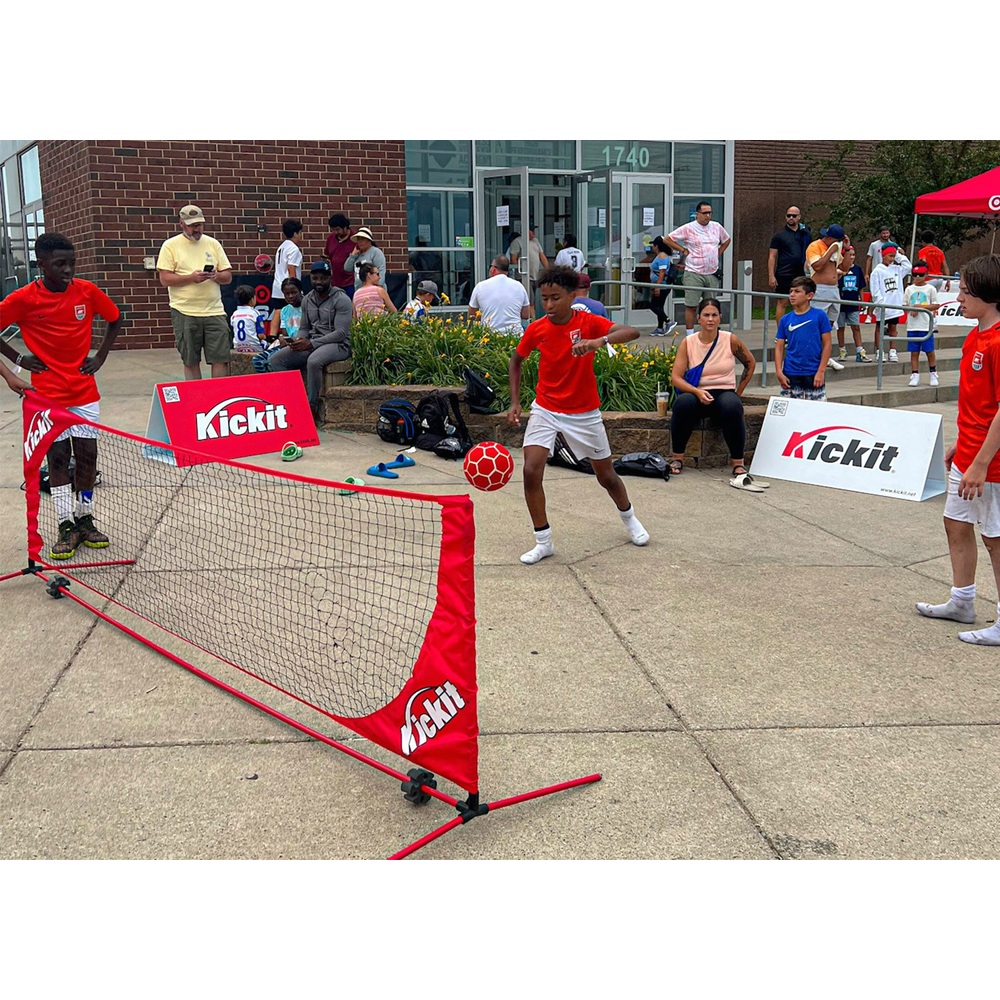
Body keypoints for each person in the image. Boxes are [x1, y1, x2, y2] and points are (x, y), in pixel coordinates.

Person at [507, 265, 649, 565]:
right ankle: (543, 541)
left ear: (573, 296)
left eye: (555, 298)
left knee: (606, 475)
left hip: (584, 412)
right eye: (544, 298)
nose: (548, 305)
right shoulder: (537, 328)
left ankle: (630, 520)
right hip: (546, 408)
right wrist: (516, 402)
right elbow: (516, 361)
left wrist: (600, 341)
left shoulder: (588, 322)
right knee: (531, 470)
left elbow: (632, 331)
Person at [0, 232, 122, 560]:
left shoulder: (87, 292)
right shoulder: (23, 299)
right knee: (56, 459)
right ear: (42, 265)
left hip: (84, 393)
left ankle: (85, 517)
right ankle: (65, 523)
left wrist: (100, 357)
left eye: (72, 263)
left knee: (87, 456)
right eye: (60, 264)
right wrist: (16, 365)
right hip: (46, 396)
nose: (68, 270)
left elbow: (115, 319)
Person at [915, 255, 1000, 645]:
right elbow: (975, 403)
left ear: (988, 295)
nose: (959, 297)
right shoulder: (974, 336)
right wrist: (960, 445)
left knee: (995, 538)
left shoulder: (998, 342)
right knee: (955, 523)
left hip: (991, 464)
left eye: (966, 291)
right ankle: (962, 600)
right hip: (968, 453)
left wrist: (981, 461)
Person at [668, 298, 758, 487]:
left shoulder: (729, 339)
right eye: (706, 315)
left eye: (714, 315)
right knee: (683, 404)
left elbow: (750, 363)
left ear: (720, 318)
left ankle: (738, 463)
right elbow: (676, 377)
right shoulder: (689, 342)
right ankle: (677, 457)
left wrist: (738, 392)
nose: (710, 319)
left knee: (732, 406)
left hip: (723, 390)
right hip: (697, 390)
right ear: (698, 318)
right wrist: (697, 392)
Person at [156, 204, 234, 380]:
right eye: (192, 225)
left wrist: (216, 275)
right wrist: (191, 278)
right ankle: (196, 399)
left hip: (214, 310)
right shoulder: (170, 246)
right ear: (181, 224)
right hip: (184, 311)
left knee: (221, 358)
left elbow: (228, 276)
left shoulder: (213, 244)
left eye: (199, 224)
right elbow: (165, 279)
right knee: (190, 360)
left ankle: (219, 397)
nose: (196, 229)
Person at [267, 261, 351, 422]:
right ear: (310, 278)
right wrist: (299, 339)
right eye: (315, 278)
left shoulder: (341, 299)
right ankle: (292, 402)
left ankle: (311, 408)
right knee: (276, 360)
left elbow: (341, 333)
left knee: (314, 361)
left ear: (330, 278)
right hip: (312, 342)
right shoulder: (307, 299)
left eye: (323, 278)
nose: (318, 282)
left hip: (338, 345)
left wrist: (311, 343)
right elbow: (305, 327)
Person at [663, 201, 731, 336]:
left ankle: (711, 333)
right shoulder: (689, 228)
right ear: (697, 214)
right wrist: (683, 250)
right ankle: (690, 334)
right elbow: (668, 239)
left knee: (711, 305)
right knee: (692, 305)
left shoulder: (716, 227)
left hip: (712, 272)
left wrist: (718, 253)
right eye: (705, 213)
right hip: (694, 272)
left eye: (710, 213)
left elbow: (727, 240)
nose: (708, 216)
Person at [773, 276, 832, 401]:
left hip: (813, 372)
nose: (792, 295)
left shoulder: (819, 316)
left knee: (816, 412)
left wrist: (821, 371)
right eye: (791, 291)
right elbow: (779, 347)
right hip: (790, 373)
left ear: (809, 296)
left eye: (797, 291)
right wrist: (779, 371)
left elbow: (827, 344)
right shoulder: (785, 319)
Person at [804, 224, 848, 370]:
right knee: (816, 322)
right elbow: (817, 266)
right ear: (829, 238)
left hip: (834, 289)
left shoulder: (838, 248)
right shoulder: (815, 246)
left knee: (829, 324)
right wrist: (831, 251)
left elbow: (846, 267)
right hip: (820, 288)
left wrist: (846, 249)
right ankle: (813, 355)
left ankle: (824, 355)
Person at [869, 242, 912, 363]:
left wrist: (898, 255)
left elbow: (908, 266)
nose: (892, 259)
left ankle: (892, 350)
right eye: (890, 256)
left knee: (893, 327)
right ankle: (879, 351)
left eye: (894, 256)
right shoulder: (877, 271)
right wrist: (880, 303)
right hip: (883, 306)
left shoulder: (897, 269)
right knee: (880, 328)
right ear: (883, 255)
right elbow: (875, 290)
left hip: (894, 305)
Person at [469, 255, 532, 335]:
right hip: (515, 337)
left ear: (493, 270)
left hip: (489, 337)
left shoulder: (480, 286)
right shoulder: (519, 286)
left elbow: (472, 315)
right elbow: (526, 315)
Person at [768, 206, 811, 322]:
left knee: (800, 302)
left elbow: (810, 251)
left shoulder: (805, 233)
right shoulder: (779, 235)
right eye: (788, 216)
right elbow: (772, 256)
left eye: (794, 216)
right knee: (782, 302)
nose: (791, 218)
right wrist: (771, 276)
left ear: (799, 217)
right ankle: (780, 334)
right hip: (784, 273)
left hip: (801, 273)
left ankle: (797, 329)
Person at [904, 262, 940, 387]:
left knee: (929, 351)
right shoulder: (909, 289)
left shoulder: (930, 289)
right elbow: (904, 305)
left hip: (925, 325)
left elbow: (936, 305)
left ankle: (933, 372)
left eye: (920, 275)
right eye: (915, 275)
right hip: (913, 326)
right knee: (914, 352)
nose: (917, 277)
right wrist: (911, 308)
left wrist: (922, 307)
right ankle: (915, 374)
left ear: (926, 275)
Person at [256, 278, 303, 373]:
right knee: (258, 360)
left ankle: (283, 384)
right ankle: (269, 384)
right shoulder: (285, 310)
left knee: (271, 359)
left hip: (301, 345)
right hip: (288, 344)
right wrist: (282, 338)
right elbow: (284, 332)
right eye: (287, 294)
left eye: (294, 293)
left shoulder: (307, 307)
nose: (290, 296)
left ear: (300, 291)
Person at [836, 245, 872, 362]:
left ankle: (860, 351)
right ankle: (842, 350)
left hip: (853, 303)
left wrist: (861, 300)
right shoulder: (838, 269)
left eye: (853, 255)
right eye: (849, 255)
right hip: (841, 304)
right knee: (840, 328)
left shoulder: (857, 269)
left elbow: (861, 287)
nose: (851, 257)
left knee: (855, 327)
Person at [270, 219, 303, 314]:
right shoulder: (294, 249)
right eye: (300, 233)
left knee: (278, 312)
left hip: (277, 285)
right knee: (292, 313)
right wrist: (295, 287)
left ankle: (273, 330)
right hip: (288, 287)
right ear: (296, 233)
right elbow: (291, 268)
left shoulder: (282, 246)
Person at [646, 236, 676, 336]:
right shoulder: (660, 256)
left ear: (657, 246)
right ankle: (660, 328)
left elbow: (662, 272)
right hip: (659, 285)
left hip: (662, 286)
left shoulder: (662, 256)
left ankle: (668, 321)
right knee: (659, 306)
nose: (652, 247)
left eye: (653, 245)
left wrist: (657, 287)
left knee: (653, 306)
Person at [323, 214, 357, 299]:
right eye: (333, 230)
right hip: (335, 282)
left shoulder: (355, 240)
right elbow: (327, 255)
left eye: (338, 229)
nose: (335, 232)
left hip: (351, 282)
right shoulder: (331, 238)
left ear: (345, 227)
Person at [508, 228, 549, 296]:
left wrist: (548, 271)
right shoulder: (517, 241)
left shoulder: (535, 241)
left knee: (533, 298)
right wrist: (519, 273)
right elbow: (513, 259)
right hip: (524, 276)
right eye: (531, 231)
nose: (533, 233)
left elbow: (542, 256)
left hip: (535, 276)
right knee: (530, 300)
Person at [230, 285, 266, 353]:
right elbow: (261, 336)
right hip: (255, 347)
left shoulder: (234, 314)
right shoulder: (255, 313)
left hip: (238, 346)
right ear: (252, 300)